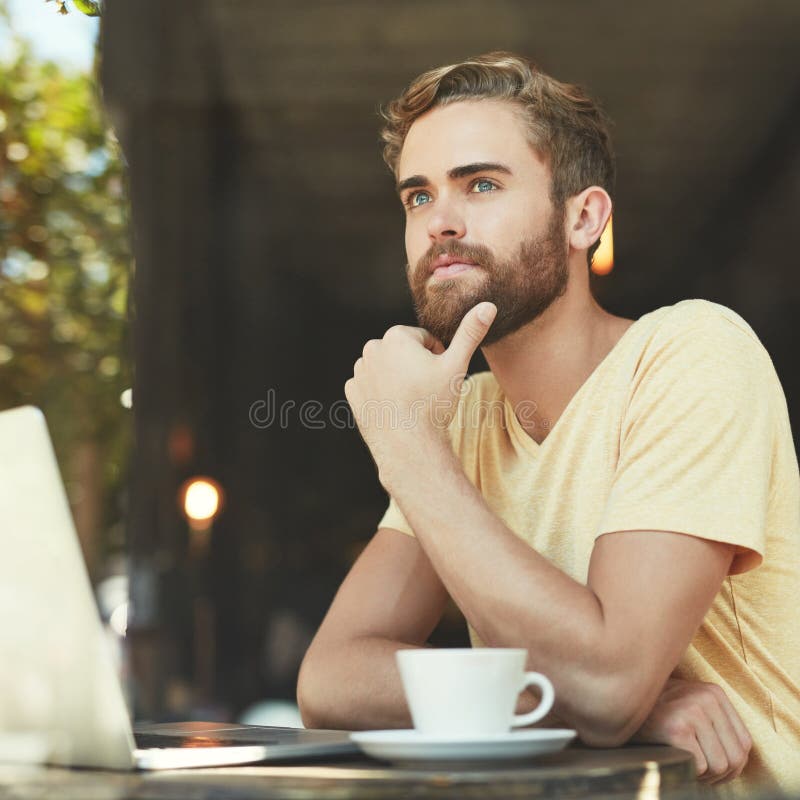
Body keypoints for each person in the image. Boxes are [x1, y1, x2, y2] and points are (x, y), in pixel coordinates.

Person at [296, 52, 800, 795]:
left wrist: (404, 444)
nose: (441, 221)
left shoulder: (693, 352)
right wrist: (572, 692)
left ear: (584, 217)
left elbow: (602, 689)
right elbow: (330, 678)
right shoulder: (462, 416)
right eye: (417, 197)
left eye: (483, 184)